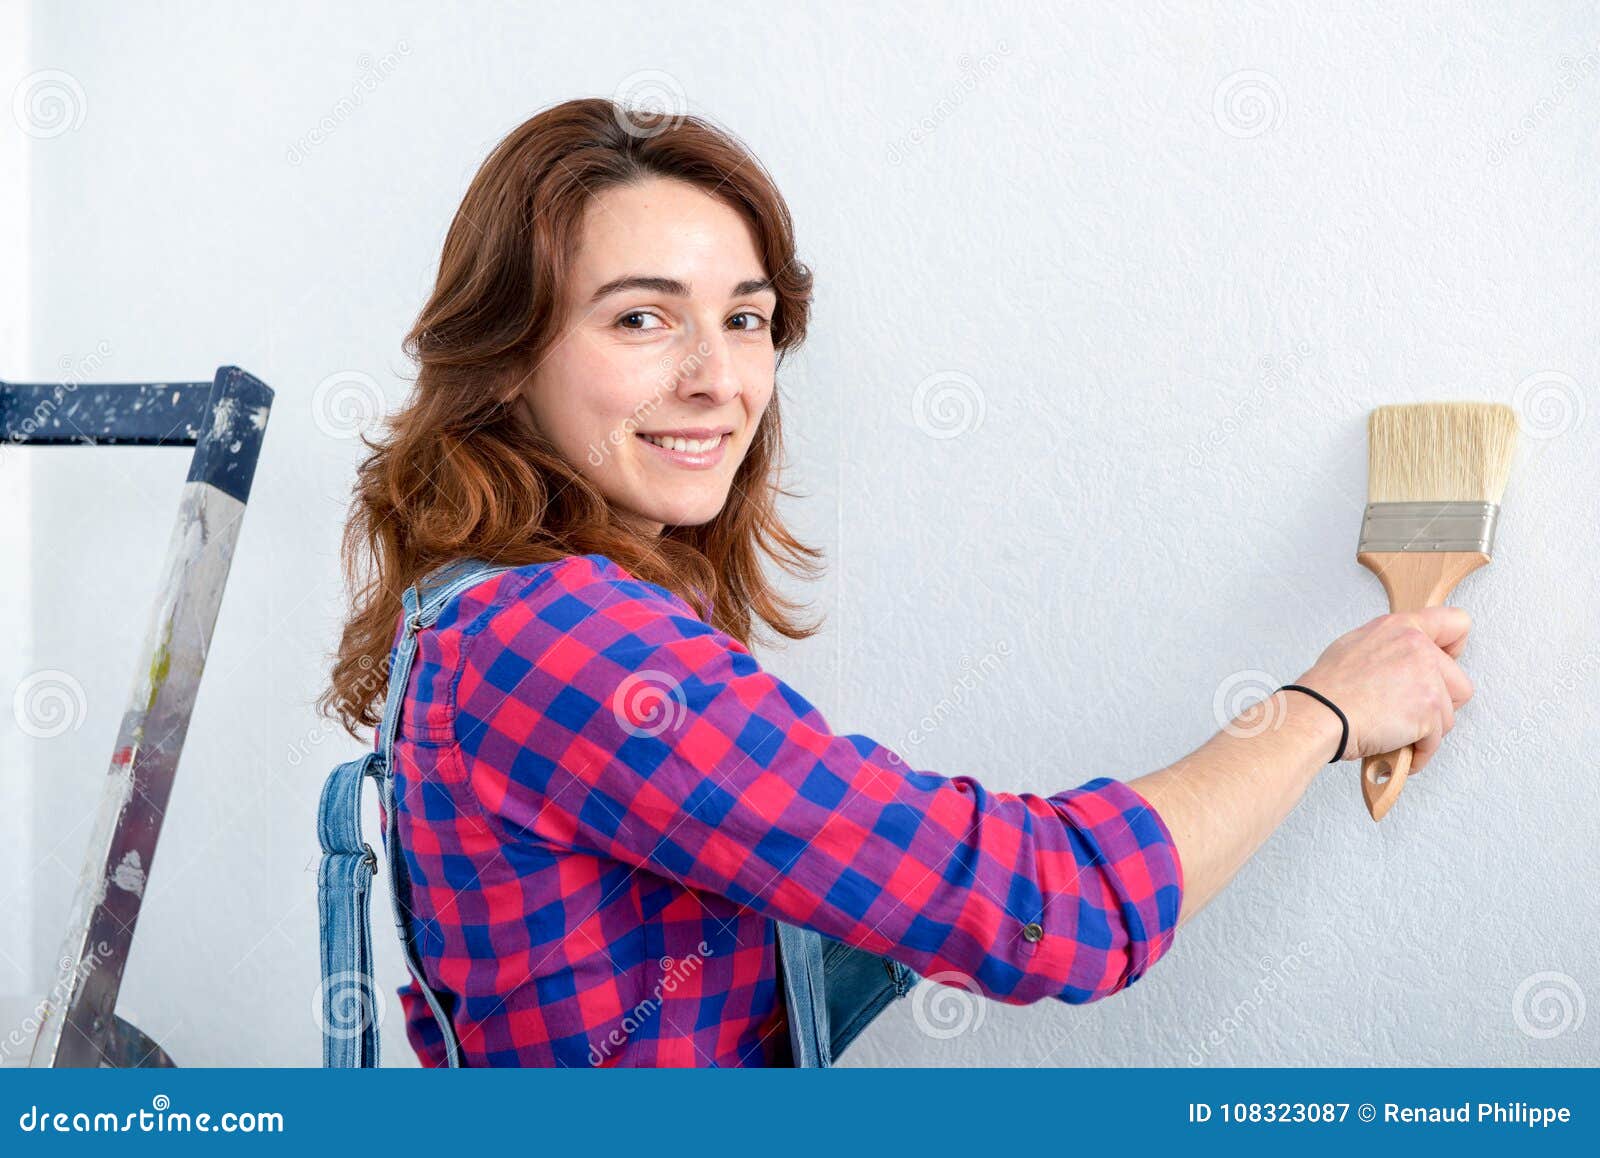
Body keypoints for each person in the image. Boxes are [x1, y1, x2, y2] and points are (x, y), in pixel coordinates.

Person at [320, 97, 1473, 1067]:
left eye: (746, 320)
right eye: (640, 318)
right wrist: (1318, 712)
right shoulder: (570, 643)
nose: (718, 377)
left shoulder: (480, 615)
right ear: (507, 356)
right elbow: (1053, 914)